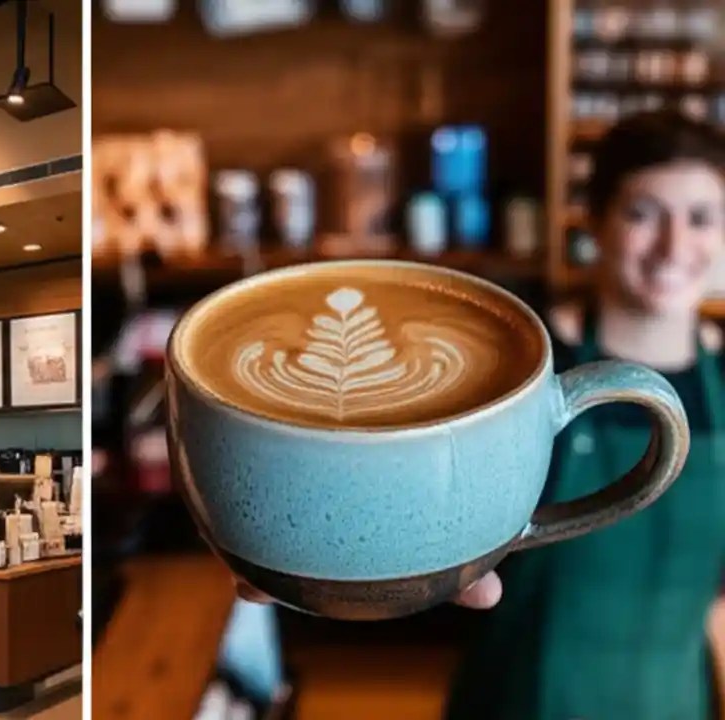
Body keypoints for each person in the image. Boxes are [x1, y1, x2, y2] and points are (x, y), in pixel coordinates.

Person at [241, 110, 725, 719]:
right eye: (642, 213)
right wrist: (312, 559)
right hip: (521, 699)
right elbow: (419, 521)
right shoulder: (512, 370)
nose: (674, 246)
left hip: (675, 703)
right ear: (596, 222)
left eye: (701, 218)